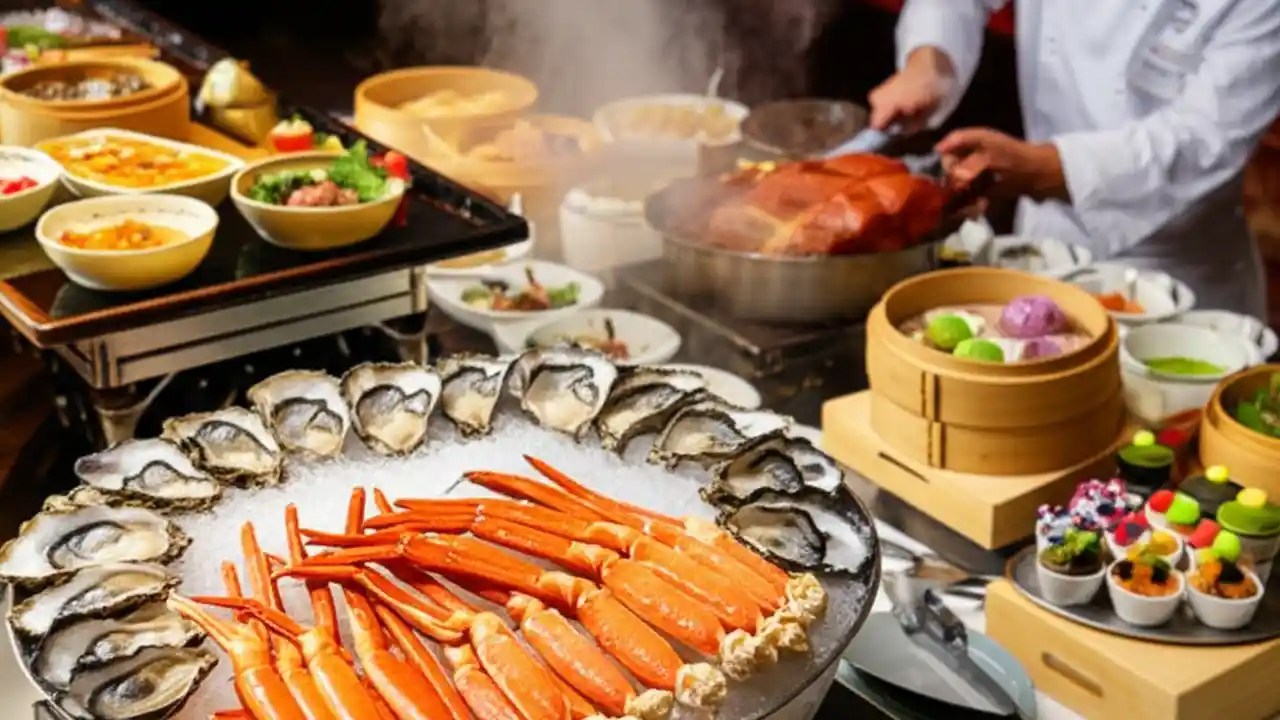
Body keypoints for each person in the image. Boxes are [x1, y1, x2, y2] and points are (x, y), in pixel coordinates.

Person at [869, 0, 1280, 319]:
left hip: (1180, 282)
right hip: (1046, 249)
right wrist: (930, 63)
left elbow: (1203, 139)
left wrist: (1043, 169)